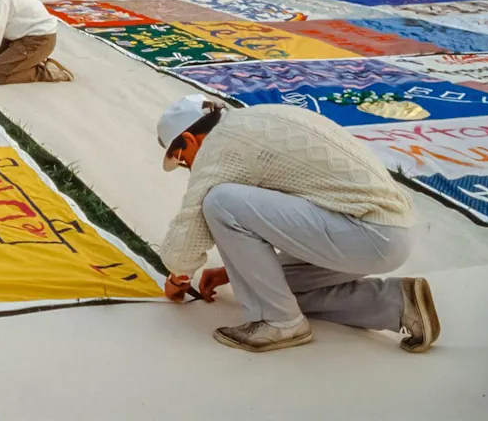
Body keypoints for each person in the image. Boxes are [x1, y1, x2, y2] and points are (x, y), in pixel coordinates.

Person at [156, 95, 438, 354]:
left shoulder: (218, 144)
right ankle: (398, 303)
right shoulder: (253, 119)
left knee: (218, 201)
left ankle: (279, 322)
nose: (189, 167)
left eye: (182, 160)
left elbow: (188, 232)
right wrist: (234, 271)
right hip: (388, 229)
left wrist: (178, 277)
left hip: (367, 232)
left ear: (189, 140)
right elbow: (285, 216)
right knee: (274, 291)